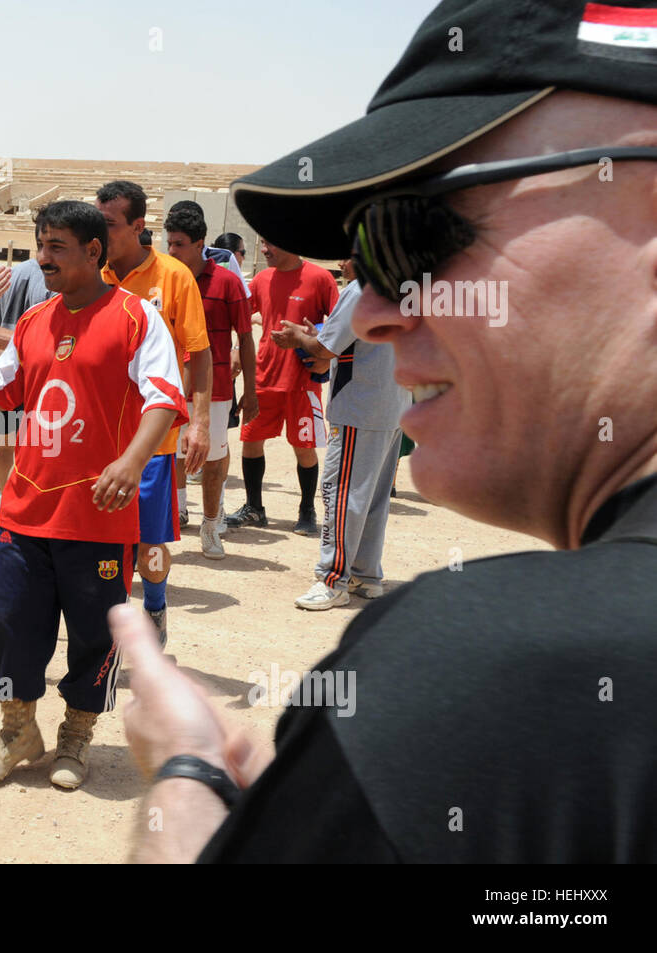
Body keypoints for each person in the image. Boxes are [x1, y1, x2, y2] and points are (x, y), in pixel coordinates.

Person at [119, 0, 657, 862]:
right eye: (363, 257)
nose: (370, 309)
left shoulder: (486, 674)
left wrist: (189, 782)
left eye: (414, 233)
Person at [0, 200, 186, 790]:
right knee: (10, 621)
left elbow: (163, 397)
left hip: (98, 514)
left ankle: (76, 739)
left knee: (94, 630)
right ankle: (16, 731)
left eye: (57, 246)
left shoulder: (137, 317)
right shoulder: (34, 321)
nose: (43, 257)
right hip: (27, 508)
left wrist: (132, 461)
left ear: (92, 252)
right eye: (40, 244)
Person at [96, 180, 210, 648]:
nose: (99, 233)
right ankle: (115, 624)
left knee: (149, 540)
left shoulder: (174, 277)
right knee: (105, 540)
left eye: (109, 224)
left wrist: (199, 423)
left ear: (139, 226)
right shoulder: (91, 273)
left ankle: (156, 607)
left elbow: (199, 353)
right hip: (100, 434)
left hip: (154, 438)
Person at [269, 260, 410, 609]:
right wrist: (318, 333)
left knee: (341, 493)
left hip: (360, 407)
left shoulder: (361, 289)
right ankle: (366, 574)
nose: (341, 263)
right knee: (372, 496)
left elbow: (324, 350)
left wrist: (298, 338)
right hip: (392, 403)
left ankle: (333, 578)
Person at [223, 239, 338, 536]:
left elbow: (339, 325)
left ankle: (307, 510)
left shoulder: (320, 278)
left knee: (304, 447)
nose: (263, 250)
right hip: (263, 378)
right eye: (261, 243)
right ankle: (254, 508)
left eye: (269, 243)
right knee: (251, 442)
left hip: (302, 381)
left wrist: (326, 360)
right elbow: (244, 318)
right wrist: (236, 347)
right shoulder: (261, 279)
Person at [163, 207, 257, 559]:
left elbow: (246, 339)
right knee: (170, 456)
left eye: (179, 244)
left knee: (214, 460)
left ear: (200, 244)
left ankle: (210, 525)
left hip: (214, 390)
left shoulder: (228, 282)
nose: (171, 251)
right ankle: (177, 513)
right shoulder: (166, 279)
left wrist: (251, 390)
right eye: (169, 243)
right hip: (170, 385)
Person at [0, 257, 54, 543]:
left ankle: (7, 506)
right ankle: (14, 510)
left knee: (3, 448)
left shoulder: (11, 274)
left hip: (6, 372)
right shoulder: (58, 275)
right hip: (39, 376)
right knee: (36, 451)